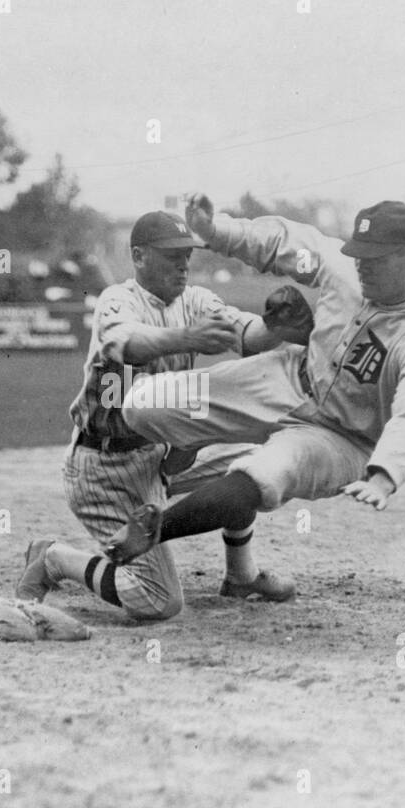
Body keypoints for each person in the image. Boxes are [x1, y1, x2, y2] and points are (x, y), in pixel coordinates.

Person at [102, 195, 405, 588]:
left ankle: (153, 530)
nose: (363, 266)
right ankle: (201, 440)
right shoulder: (345, 268)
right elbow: (278, 242)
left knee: (263, 477)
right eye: (360, 254)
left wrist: (385, 476)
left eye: (376, 258)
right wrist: (215, 231)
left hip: (338, 439)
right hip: (284, 380)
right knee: (142, 403)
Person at [16, 210, 296, 621]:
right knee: (158, 601)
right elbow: (128, 345)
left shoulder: (197, 300)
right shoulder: (118, 299)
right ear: (139, 256)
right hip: (106, 468)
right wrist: (186, 338)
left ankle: (241, 575)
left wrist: (278, 327)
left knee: (250, 467)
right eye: (171, 255)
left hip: (159, 456)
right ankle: (55, 559)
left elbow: (246, 334)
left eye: (187, 254)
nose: (183, 264)